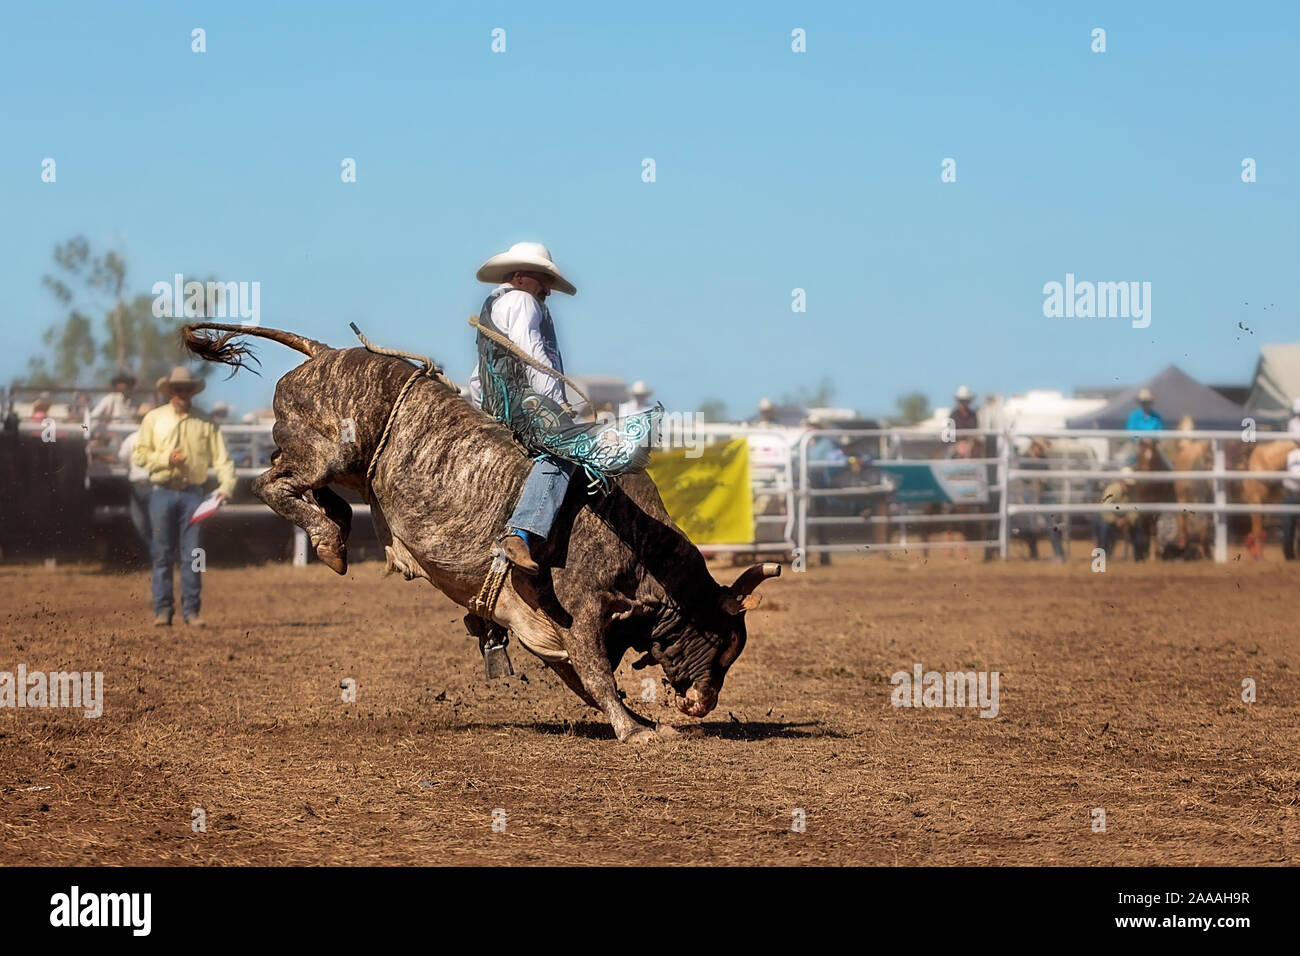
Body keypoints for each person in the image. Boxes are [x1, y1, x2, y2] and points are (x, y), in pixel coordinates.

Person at [466, 242, 579, 575]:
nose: (547, 289)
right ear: (520, 277)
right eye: (543, 280)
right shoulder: (523, 300)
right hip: (525, 404)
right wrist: (557, 405)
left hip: (498, 405)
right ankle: (519, 533)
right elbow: (535, 357)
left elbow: (478, 377)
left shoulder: (495, 306)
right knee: (565, 451)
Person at [133, 367, 236, 626]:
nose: (182, 393)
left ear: (191, 391)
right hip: (162, 491)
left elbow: (222, 459)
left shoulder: (206, 422)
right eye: (178, 389)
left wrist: (226, 487)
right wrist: (165, 458)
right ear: (171, 391)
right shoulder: (154, 419)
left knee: (193, 554)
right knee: (163, 554)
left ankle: (191, 610)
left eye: (186, 389)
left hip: (193, 495)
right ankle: (163, 609)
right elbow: (139, 454)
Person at [1018, 439, 1066, 562]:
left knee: (1051, 521)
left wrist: (1041, 480)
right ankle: (1034, 553)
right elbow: (1024, 478)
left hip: (1042, 494)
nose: (1040, 450)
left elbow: (1045, 476)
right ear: (1034, 447)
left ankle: (1058, 553)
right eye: (1039, 448)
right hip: (1030, 494)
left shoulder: (1042, 458)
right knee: (1029, 523)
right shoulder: (1024, 458)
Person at [117, 405, 154, 558]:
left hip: (145, 484)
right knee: (148, 525)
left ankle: (157, 558)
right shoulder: (158, 438)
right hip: (148, 485)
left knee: (145, 525)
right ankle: (158, 557)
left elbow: (122, 458)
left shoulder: (132, 438)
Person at [1095, 467, 1137, 559]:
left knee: (1138, 527)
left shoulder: (1132, 493)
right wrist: (1116, 520)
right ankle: (1103, 553)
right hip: (1109, 518)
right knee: (1103, 524)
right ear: (1121, 482)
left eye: (1130, 485)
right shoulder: (1112, 489)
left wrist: (1126, 520)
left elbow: (1135, 510)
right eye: (1127, 484)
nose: (1129, 487)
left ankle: (1139, 556)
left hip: (1123, 519)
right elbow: (1104, 508)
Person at [1283, 442, 1300, 560]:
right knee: (1288, 526)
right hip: (1290, 493)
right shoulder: (1290, 454)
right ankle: (1289, 556)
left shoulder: (1290, 454)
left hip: (1291, 494)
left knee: (1289, 526)